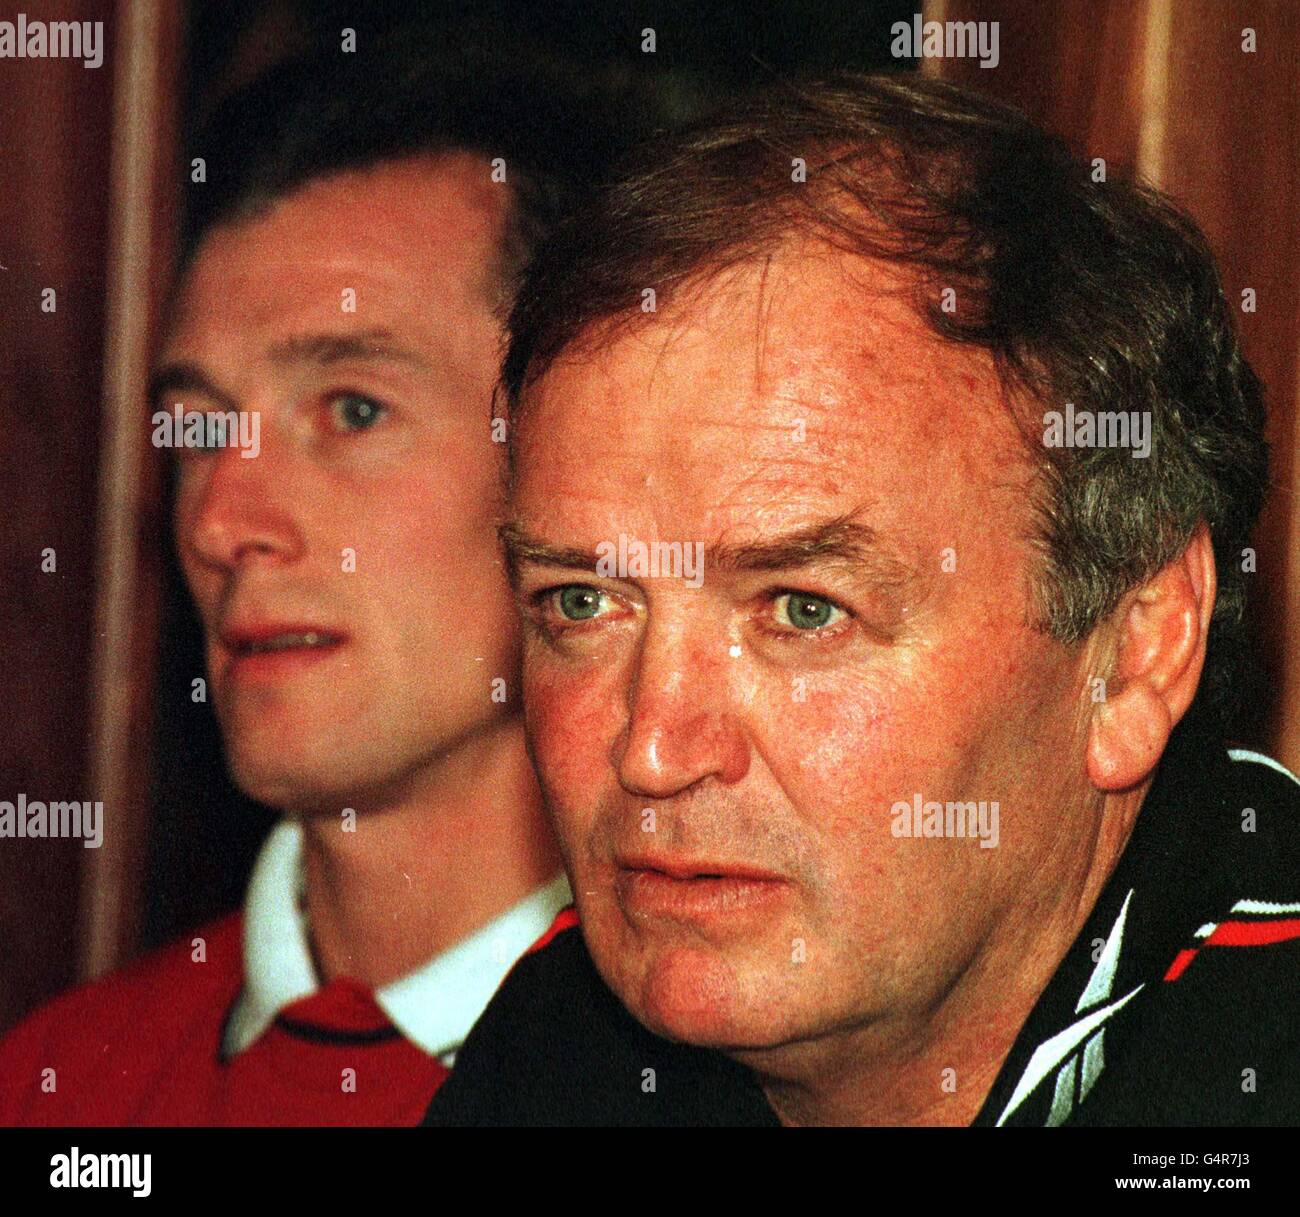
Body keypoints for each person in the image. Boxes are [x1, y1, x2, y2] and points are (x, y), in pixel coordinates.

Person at [425, 73, 1300, 1127]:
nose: (652, 750)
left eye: (800, 609)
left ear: (1136, 649)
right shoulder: (566, 1052)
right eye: (579, 603)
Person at [0, 36, 653, 1125]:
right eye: (200, 427)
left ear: (582, 457)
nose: (218, 521)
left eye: (351, 408)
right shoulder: (58, 1085)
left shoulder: (720, 1083)